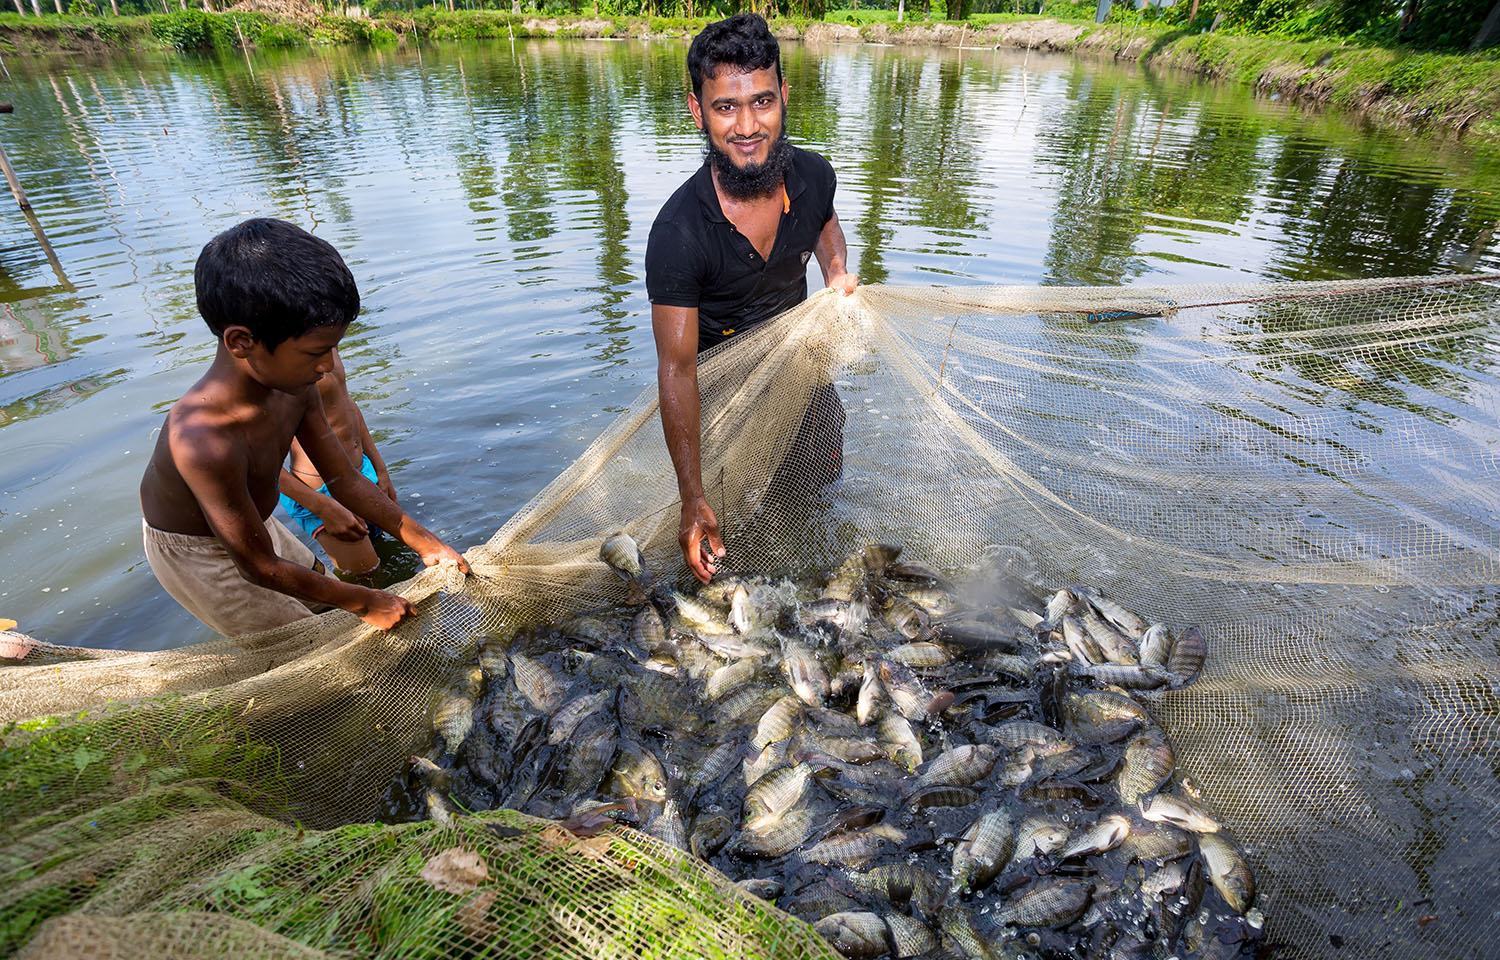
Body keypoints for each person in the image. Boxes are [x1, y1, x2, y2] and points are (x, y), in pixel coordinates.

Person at [139, 217, 468, 636]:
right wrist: (368, 601)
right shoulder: (205, 441)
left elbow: (344, 479)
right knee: (303, 642)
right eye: (316, 350)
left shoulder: (295, 384)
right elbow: (258, 567)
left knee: (327, 608)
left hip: (252, 525)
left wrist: (427, 543)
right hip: (199, 553)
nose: (328, 365)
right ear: (241, 341)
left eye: (334, 347)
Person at [645, 13, 858, 585]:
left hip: (804, 381)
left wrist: (835, 269)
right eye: (725, 107)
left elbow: (824, 223)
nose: (747, 126)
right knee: (731, 531)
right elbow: (677, 369)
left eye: (762, 102)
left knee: (814, 499)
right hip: (724, 403)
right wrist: (692, 497)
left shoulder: (815, 175)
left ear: (784, 98)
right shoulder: (678, 234)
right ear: (698, 111)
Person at [277, 347, 396, 576]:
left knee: (386, 551)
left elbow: (345, 402)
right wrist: (322, 506)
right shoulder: (276, 366)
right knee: (369, 577)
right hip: (320, 493)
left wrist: (380, 469)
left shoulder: (324, 340)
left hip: (361, 473)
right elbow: (259, 462)